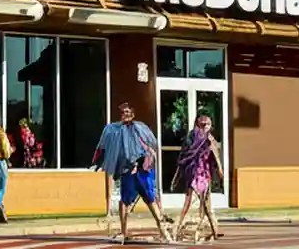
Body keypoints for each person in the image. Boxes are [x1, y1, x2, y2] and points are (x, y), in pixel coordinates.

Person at [90, 102, 173, 243]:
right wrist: (99, 158)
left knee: (150, 199)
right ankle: (124, 231)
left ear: (133, 114)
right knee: (124, 201)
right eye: (123, 112)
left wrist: (147, 159)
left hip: (142, 169)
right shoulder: (114, 130)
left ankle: (163, 230)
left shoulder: (141, 128)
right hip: (127, 170)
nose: (125, 115)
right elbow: (104, 146)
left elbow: (152, 144)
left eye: (128, 112)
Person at [172, 113, 224, 241]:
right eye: (205, 124)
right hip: (198, 175)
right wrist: (220, 172)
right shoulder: (199, 139)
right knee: (195, 204)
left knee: (203, 205)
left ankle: (214, 231)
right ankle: (177, 229)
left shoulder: (201, 139)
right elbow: (184, 158)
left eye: (208, 124)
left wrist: (219, 173)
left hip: (201, 175)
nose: (207, 127)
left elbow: (214, 158)